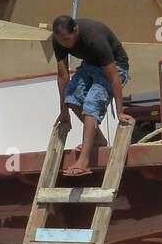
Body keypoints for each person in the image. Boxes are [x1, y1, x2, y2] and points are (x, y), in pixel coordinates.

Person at [51, 14, 132, 176]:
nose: (64, 44)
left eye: (67, 40)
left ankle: (84, 161)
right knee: (71, 97)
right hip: (90, 64)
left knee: (91, 103)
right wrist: (64, 111)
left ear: (75, 30)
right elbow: (63, 76)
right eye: (61, 41)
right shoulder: (58, 40)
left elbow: (114, 77)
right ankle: (98, 139)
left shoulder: (95, 38)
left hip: (116, 66)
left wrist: (120, 111)